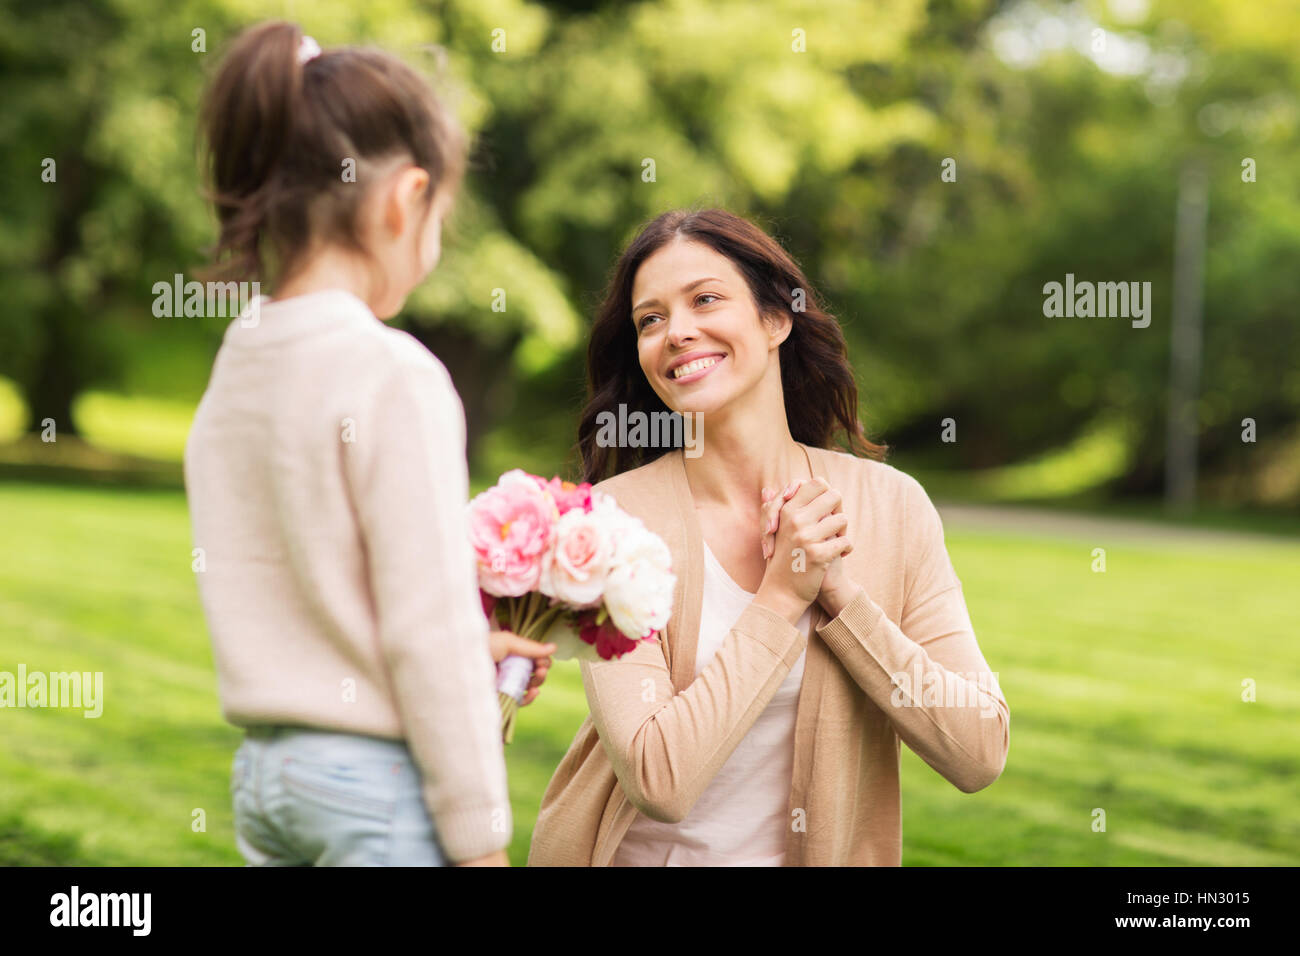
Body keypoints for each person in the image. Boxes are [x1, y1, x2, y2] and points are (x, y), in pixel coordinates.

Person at [529, 208, 1010, 866]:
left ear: (777, 318)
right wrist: (782, 597)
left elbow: (979, 750)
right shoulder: (607, 524)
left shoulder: (893, 507)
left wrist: (842, 599)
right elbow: (658, 777)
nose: (678, 332)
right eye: (651, 319)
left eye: (705, 299)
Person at [185, 20, 552, 867]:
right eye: (441, 219)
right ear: (404, 198)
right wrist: (480, 839)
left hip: (271, 775)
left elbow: (302, 587)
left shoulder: (239, 364)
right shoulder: (394, 373)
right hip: (374, 789)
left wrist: (468, 653)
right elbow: (425, 626)